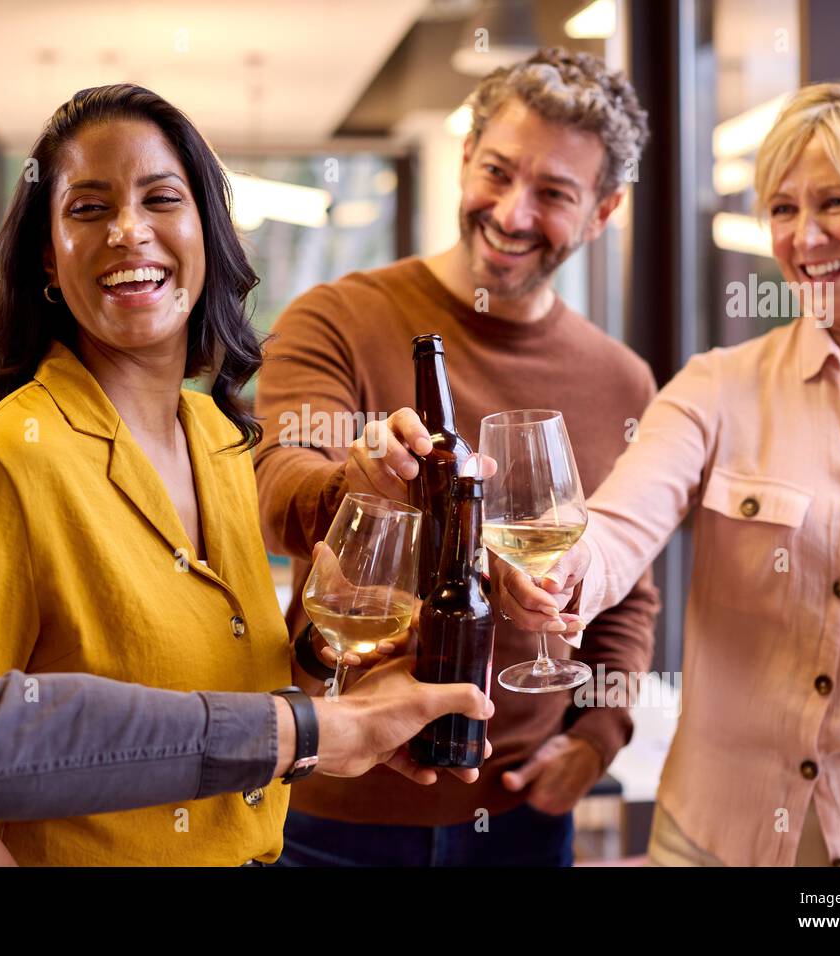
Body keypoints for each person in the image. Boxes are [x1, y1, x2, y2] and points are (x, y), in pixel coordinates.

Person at [0, 27, 493, 866]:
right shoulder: (2, 466)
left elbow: (225, 695)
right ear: (49, 257)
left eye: (162, 200)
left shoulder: (219, 439)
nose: (129, 233)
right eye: (89, 208)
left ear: (209, 235)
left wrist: (328, 664)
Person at [518, 80, 840, 866]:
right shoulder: (719, 385)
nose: (802, 238)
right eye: (781, 208)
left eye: (835, 203)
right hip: (716, 839)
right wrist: (560, 574)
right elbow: (617, 527)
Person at [253, 48, 660, 866]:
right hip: (333, 804)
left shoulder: (621, 378)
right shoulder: (335, 317)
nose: (512, 213)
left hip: (520, 812)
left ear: (603, 211)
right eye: (498, 172)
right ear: (465, 159)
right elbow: (275, 490)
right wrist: (359, 479)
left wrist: (598, 737)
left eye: (553, 193)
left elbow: (628, 593)